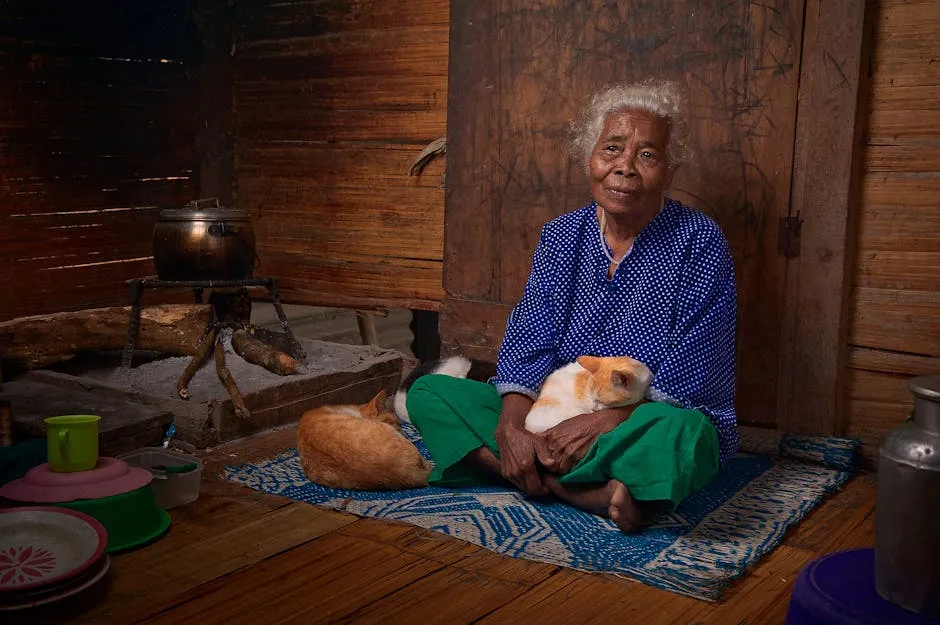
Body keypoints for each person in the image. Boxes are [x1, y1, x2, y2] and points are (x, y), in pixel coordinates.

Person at [407, 79, 739, 532]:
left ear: (670, 170)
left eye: (647, 155)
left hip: (637, 418)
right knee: (431, 393)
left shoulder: (698, 242)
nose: (625, 168)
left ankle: (531, 473)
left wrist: (602, 423)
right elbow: (528, 340)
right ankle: (579, 489)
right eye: (612, 149)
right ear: (591, 157)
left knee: (688, 435)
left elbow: (695, 375)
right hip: (553, 411)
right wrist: (513, 428)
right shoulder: (562, 235)